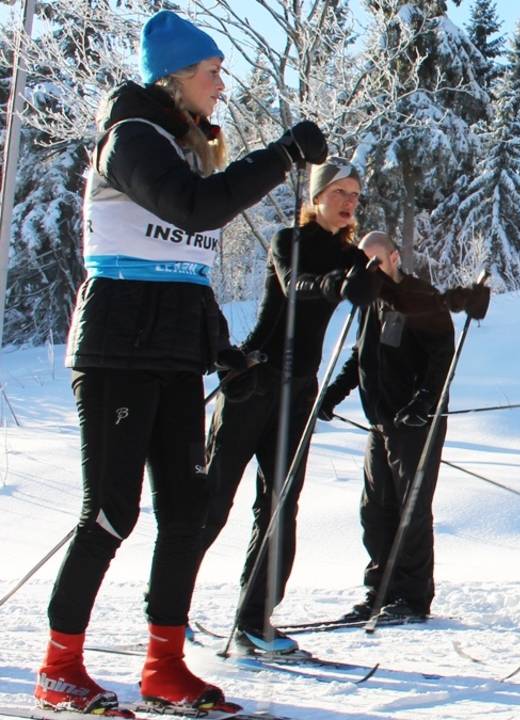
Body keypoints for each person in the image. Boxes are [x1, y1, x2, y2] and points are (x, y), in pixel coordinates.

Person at [38, 10, 326, 715]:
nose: (222, 87)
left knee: (186, 513)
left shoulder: (181, 143)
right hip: (116, 350)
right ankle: (58, 668)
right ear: (174, 78)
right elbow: (193, 210)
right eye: (212, 73)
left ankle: (164, 667)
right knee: (110, 513)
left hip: (170, 353)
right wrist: (283, 155)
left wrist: (223, 352)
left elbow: (186, 267)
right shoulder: (131, 138)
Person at [197, 157, 374, 655]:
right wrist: (337, 284)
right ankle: (168, 603)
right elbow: (296, 284)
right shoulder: (287, 241)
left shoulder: (350, 254)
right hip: (254, 382)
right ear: (316, 197)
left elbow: (380, 296)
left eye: (355, 196)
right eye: (340, 192)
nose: (348, 203)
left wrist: (383, 285)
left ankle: (255, 617)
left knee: (279, 507)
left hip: (298, 393)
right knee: (214, 501)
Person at [316, 232, 489, 622]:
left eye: (376, 261)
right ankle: (379, 592)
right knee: (375, 510)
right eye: (363, 264)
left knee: (411, 509)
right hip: (380, 422)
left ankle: (411, 598)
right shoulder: (371, 301)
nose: (370, 270)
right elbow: (360, 356)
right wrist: (331, 395)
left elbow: (440, 358)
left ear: (394, 257)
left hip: (415, 423)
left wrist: (423, 403)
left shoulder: (421, 297)